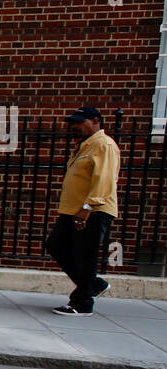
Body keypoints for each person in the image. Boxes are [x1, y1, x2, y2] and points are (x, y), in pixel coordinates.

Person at [46, 105, 121, 316]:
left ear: (96, 121)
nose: (75, 126)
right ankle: (93, 284)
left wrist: (88, 207)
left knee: (84, 255)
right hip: (74, 210)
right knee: (56, 245)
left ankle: (82, 303)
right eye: (74, 123)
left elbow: (105, 180)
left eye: (80, 122)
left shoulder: (104, 145)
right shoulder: (86, 145)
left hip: (91, 211)